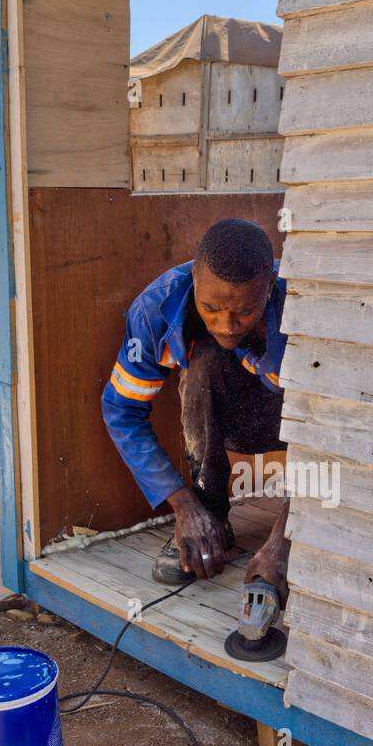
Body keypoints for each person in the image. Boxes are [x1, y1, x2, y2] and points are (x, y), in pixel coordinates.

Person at [102, 218, 290, 598]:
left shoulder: (304, 310)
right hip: (223, 419)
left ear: (269, 287)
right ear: (194, 280)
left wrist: (286, 538)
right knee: (203, 355)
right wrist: (184, 506)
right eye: (210, 307)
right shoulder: (155, 310)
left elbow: (334, 434)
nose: (226, 325)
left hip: (292, 423)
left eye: (245, 312)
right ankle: (209, 514)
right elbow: (123, 411)